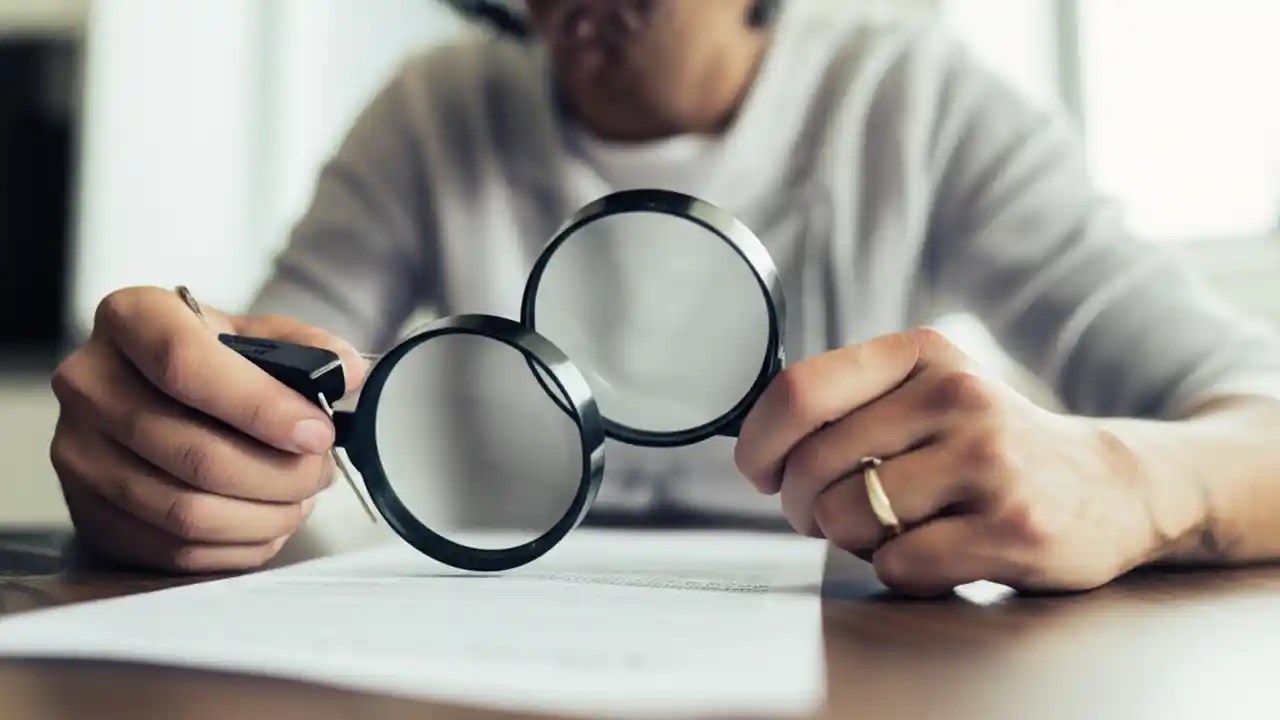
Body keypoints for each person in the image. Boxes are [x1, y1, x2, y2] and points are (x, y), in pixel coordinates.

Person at [48, 0, 1280, 595]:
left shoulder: (917, 107)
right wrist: (180, 445)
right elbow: (268, 381)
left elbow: (1261, 420)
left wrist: (1132, 480)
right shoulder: (433, 112)